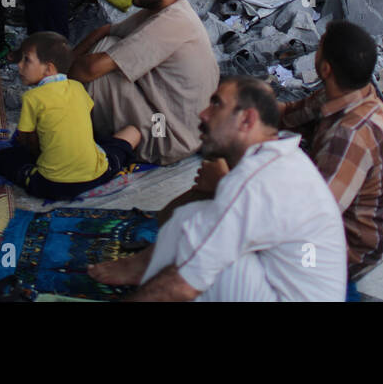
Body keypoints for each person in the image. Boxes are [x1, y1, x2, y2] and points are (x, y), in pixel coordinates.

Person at [87, 77, 347, 302]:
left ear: (247, 120)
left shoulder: (254, 180)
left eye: (217, 104)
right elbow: (178, 216)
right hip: (295, 285)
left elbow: (182, 286)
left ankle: (145, 270)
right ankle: (143, 267)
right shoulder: (280, 155)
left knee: (201, 263)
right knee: (197, 220)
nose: (204, 114)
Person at [69, 0, 219, 165]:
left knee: (99, 75)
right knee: (107, 45)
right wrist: (72, 58)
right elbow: (105, 30)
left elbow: (90, 70)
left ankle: (68, 128)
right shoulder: (165, 9)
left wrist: (58, 82)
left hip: (167, 136)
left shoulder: (172, 23)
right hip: (169, 118)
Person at [280, 21, 383, 283]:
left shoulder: (350, 134)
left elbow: (314, 218)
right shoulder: (347, 92)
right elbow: (288, 115)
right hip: (334, 218)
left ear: (325, 68)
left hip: (352, 250)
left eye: (319, 46)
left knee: (244, 261)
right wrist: (253, 102)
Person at [0, 32, 142, 200]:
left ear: (48, 68)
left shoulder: (32, 98)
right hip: (97, 176)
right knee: (132, 131)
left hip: (53, 186)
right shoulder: (78, 87)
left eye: (26, 60)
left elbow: (27, 141)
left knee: (5, 158)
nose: (19, 66)